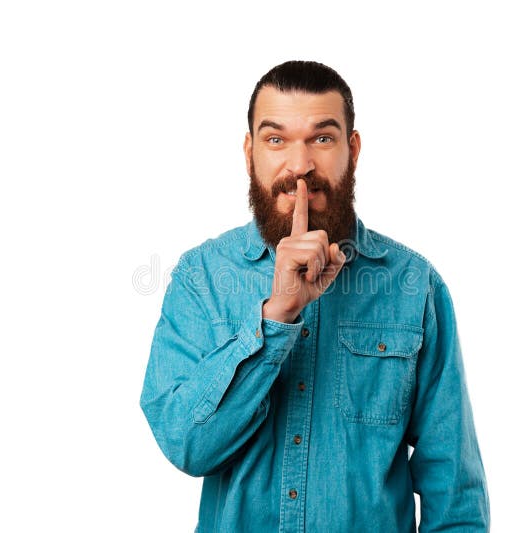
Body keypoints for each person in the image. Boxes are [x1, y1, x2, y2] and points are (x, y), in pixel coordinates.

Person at [140, 60, 490, 532]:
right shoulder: (200, 277)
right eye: (276, 140)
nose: (300, 165)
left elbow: (455, 496)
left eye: (322, 139)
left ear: (353, 150)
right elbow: (186, 445)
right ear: (249, 152)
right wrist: (276, 317)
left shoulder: (415, 285)